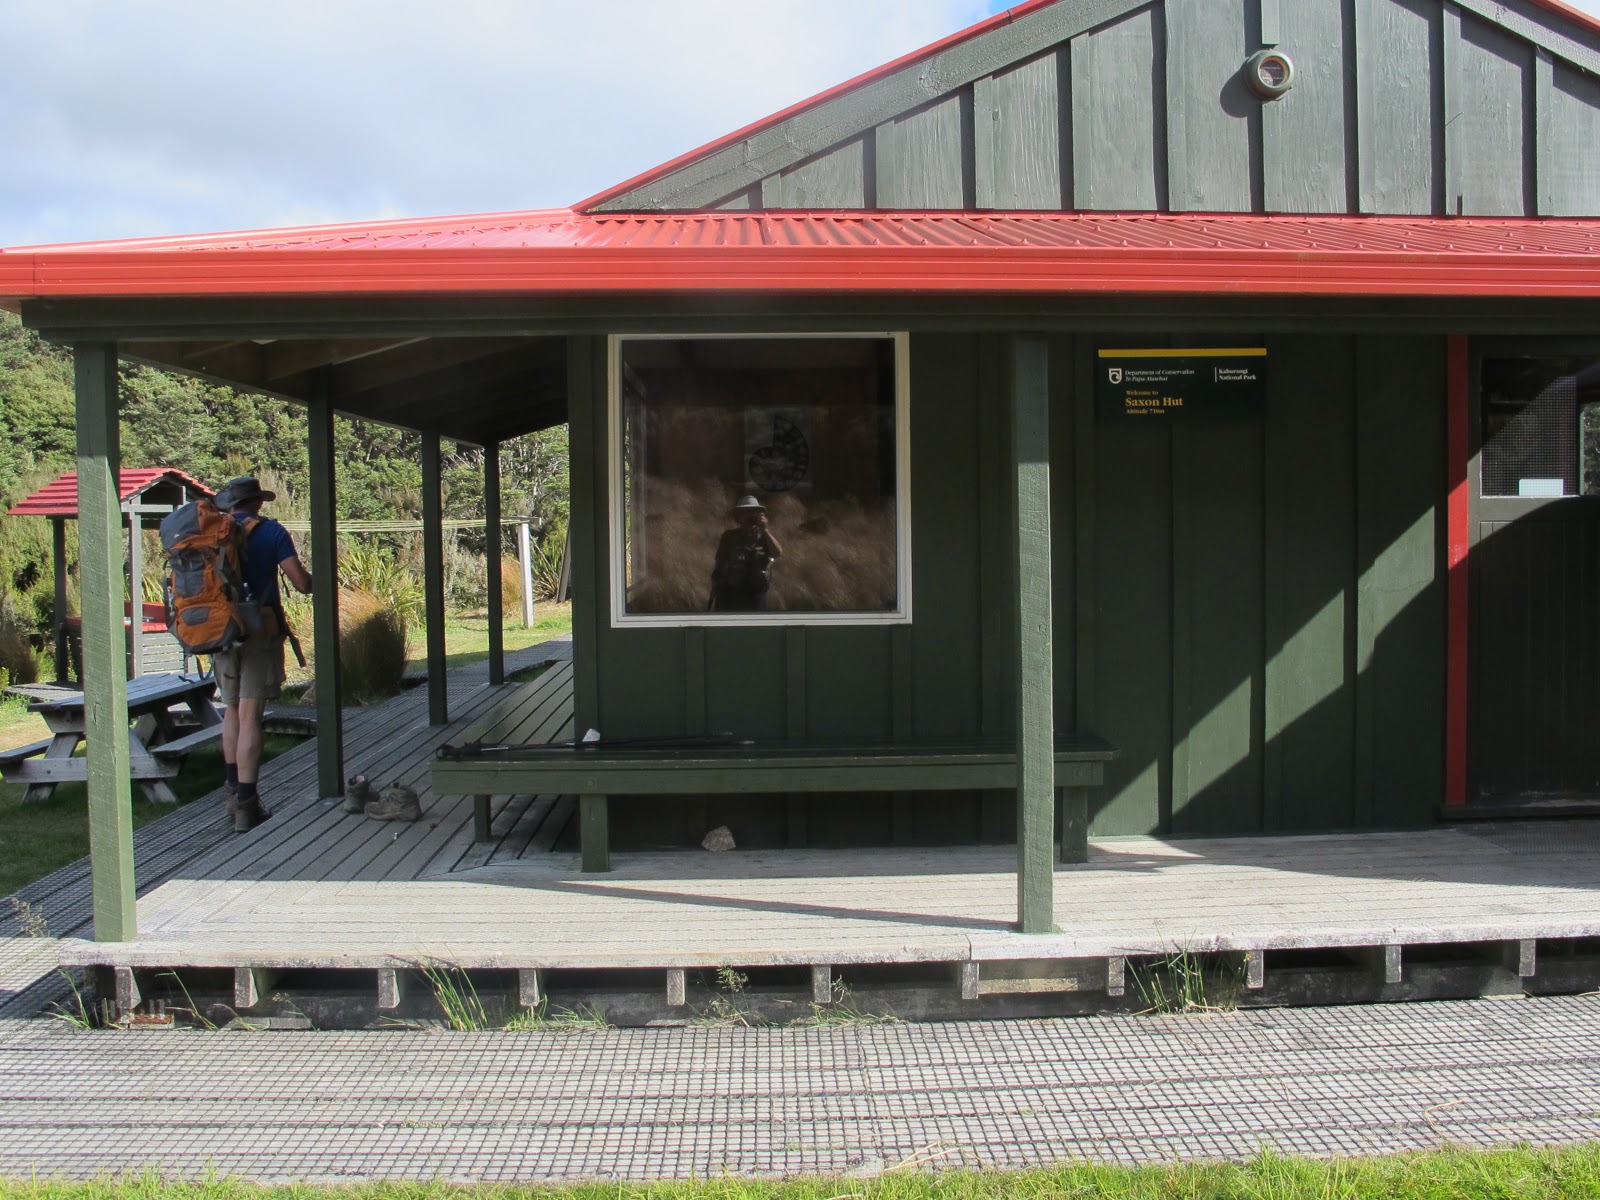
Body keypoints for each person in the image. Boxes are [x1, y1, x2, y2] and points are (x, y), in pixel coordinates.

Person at [212, 476, 312, 832]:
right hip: (258, 629)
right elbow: (300, 582)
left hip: (221, 630)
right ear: (258, 502)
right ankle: (246, 803)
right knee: (251, 715)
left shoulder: (213, 531)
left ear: (230, 503)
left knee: (231, 711)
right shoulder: (272, 532)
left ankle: (231, 791)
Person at [709, 494, 783, 612]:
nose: (751, 516)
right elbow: (719, 563)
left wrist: (765, 530)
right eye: (747, 512)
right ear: (739, 516)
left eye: (754, 512)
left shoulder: (764, 537)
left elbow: (777, 553)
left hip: (756, 595)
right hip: (730, 594)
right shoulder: (729, 536)